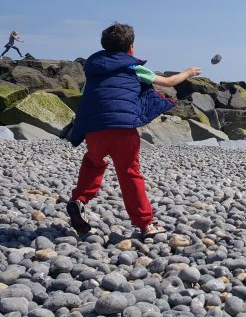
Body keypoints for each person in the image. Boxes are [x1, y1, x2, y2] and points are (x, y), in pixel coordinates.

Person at [67, 22, 201, 239]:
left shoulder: (92, 69)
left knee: (93, 162)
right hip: (123, 129)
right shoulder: (133, 67)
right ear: (131, 47)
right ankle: (146, 224)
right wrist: (188, 72)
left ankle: (79, 200)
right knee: (130, 174)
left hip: (94, 129)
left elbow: (89, 95)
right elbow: (168, 82)